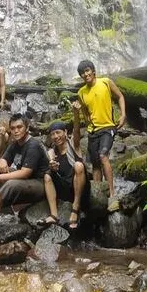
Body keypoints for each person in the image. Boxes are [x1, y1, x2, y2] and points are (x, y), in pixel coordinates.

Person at [76, 60, 126, 212]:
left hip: (108, 127)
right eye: (82, 73)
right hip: (93, 131)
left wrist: (123, 115)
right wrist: (78, 113)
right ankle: (98, 197)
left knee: (103, 155)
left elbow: (120, 96)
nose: (86, 74)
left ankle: (112, 195)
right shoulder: (81, 93)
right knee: (95, 165)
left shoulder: (106, 82)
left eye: (87, 70)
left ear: (93, 71)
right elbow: (86, 116)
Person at [40, 106, 88, 229]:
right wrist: (52, 165)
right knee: (47, 175)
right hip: (64, 189)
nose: (56, 136)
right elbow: (50, 161)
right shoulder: (52, 151)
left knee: (78, 165)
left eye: (58, 132)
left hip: (79, 187)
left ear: (65, 133)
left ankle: (75, 209)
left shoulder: (74, 145)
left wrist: (76, 114)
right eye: (52, 134)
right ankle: (54, 215)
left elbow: (76, 131)